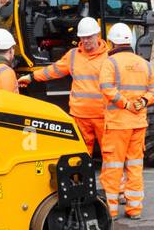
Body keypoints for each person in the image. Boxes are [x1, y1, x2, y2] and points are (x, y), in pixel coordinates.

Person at [19, 16, 111, 157]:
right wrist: (31, 77)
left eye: (89, 37)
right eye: (82, 37)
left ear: (97, 35)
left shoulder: (109, 57)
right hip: (79, 115)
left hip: (103, 115)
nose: (85, 41)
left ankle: (112, 179)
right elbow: (53, 70)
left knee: (109, 153)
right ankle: (82, 179)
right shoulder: (73, 55)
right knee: (80, 155)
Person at [97, 22, 154, 220]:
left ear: (112, 43)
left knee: (113, 168)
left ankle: (111, 210)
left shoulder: (110, 63)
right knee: (134, 167)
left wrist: (125, 104)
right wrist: (142, 102)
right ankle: (134, 209)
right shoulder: (144, 64)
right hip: (138, 124)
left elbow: (106, 88)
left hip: (117, 125)